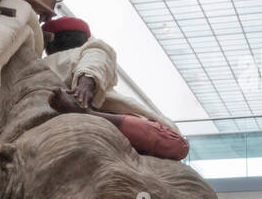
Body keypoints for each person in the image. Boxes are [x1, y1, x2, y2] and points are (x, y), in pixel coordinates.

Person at [42, 15, 190, 161]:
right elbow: (94, 61)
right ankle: (86, 114)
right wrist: (85, 84)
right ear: (84, 39)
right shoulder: (92, 48)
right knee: (179, 145)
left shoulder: (40, 63)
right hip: (97, 111)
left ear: (48, 44)